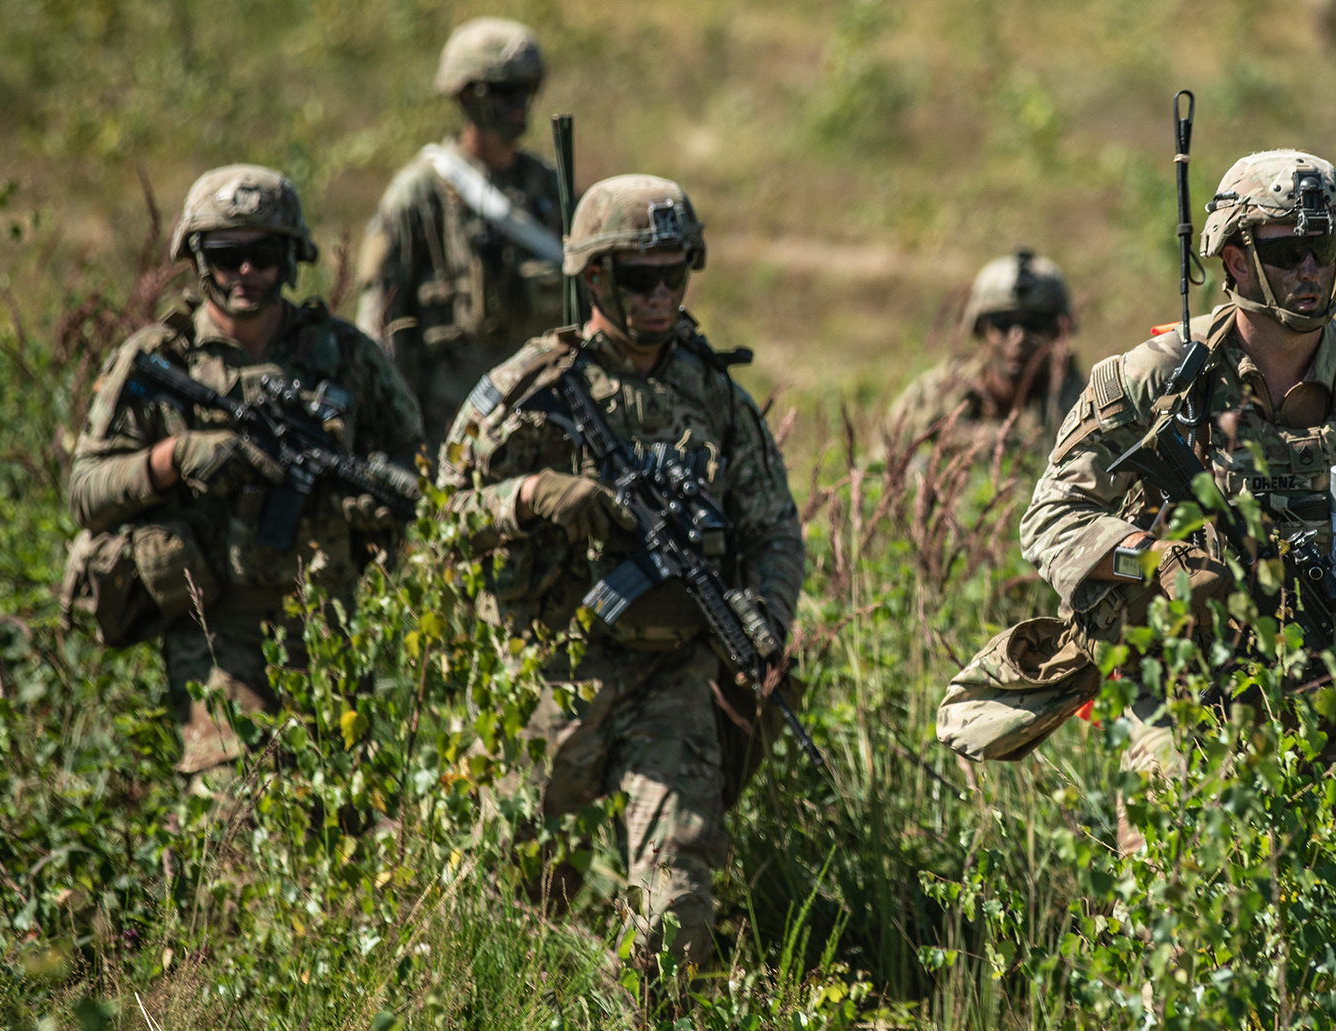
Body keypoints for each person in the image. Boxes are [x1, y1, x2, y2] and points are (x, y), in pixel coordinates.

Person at [438, 175, 803, 968]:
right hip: (549, 680)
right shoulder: (527, 391)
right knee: (511, 906)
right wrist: (529, 496)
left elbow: (774, 526)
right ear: (594, 277)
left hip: (671, 680)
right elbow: (440, 522)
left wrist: (764, 621)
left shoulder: (711, 394)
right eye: (642, 277)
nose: (663, 294)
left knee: (676, 910)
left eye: (677, 274)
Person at [1020, 149, 1336, 776]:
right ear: (1237, 260)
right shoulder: (1156, 379)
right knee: (1173, 812)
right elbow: (1054, 514)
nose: (1311, 270)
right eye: (1290, 252)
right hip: (1190, 710)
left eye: (1327, 249)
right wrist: (1153, 561)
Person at [67, 165, 423, 787]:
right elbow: (86, 493)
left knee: (343, 814)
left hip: (331, 626)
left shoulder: (345, 354)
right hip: (213, 630)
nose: (246, 273)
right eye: (228, 256)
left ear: (290, 258)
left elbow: (417, 469)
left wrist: (372, 494)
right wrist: (173, 460)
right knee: (236, 805)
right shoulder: (159, 363)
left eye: (262, 254)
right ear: (199, 260)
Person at [357, 16, 565, 462]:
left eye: (527, 92)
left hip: (543, 424)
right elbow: (378, 323)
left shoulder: (549, 189)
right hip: (448, 430)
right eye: (505, 92)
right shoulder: (418, 195)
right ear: (467, 95)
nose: (519, 106)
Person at [885, 249, 1081, 456]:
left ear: (1059, 332)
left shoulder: (1083, 410)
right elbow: (880, 467)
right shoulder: (932, 397)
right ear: (980, 329)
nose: (1018, 336)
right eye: (1002, 322)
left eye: (1035, 324)